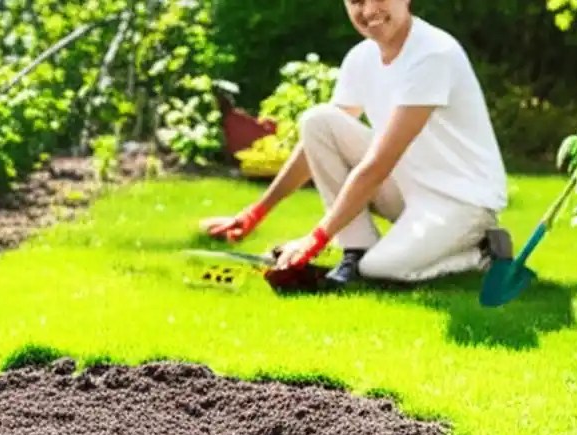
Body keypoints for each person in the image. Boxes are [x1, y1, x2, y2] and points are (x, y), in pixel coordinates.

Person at [202, 0, 513, 288]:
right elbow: (317, 144)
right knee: (318, 120)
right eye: (357, 2)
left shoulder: (433, 54)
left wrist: (317, 237)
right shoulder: (362, 57)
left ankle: (480, 251)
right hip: (409, 189)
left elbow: (379, 164)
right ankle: (357, 247)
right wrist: (256, 212)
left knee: (383, 269)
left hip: (461, 200)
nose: (369, 10)